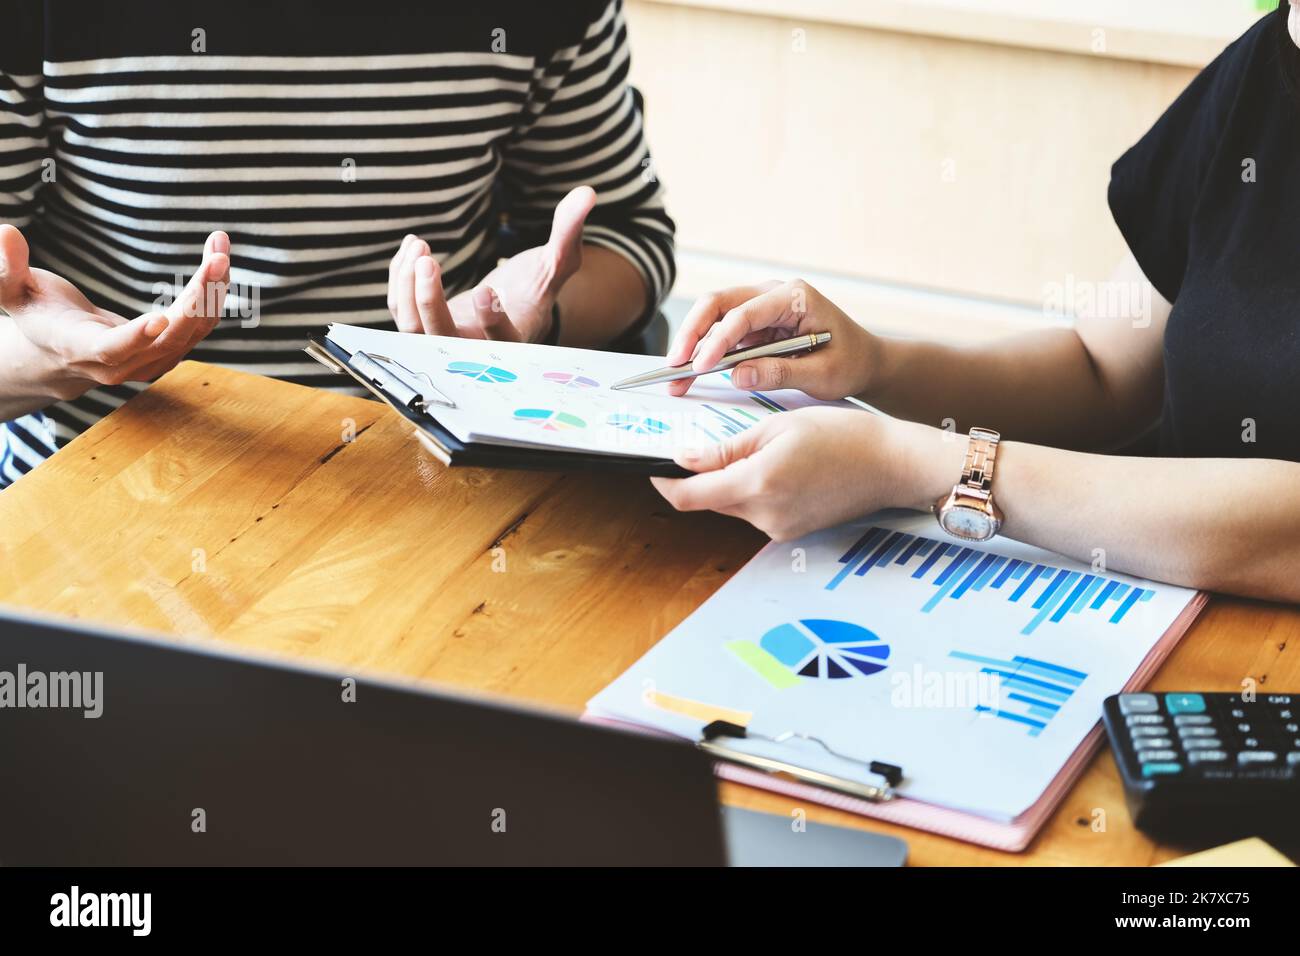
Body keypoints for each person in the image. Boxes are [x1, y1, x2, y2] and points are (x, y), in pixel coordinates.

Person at [652, 3, 1300, 603]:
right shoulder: (1262, 68)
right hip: (1163, 615)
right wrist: (874, 362)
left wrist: (915, 465)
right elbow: (1100, 371)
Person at [0, 0, 673, 488]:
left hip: (432, 485)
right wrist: (58, 353)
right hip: (88, 492)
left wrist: (533, 317)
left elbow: (627, 236)